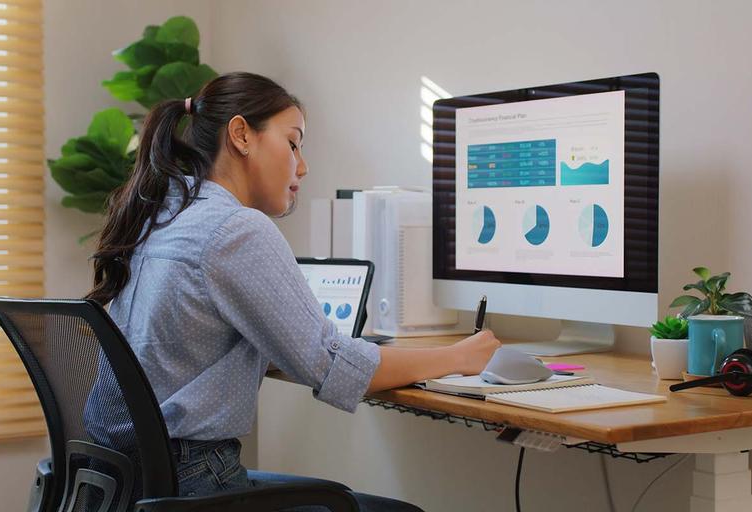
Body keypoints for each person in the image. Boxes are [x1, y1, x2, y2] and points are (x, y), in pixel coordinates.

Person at [83, 72, 501, 510]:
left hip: (124, 480)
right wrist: (459, 356)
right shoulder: (234, 229)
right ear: (242, 135)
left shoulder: (165, 215)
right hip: (191, 481)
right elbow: (330, 366)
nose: (302, 166)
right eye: (293, 143)